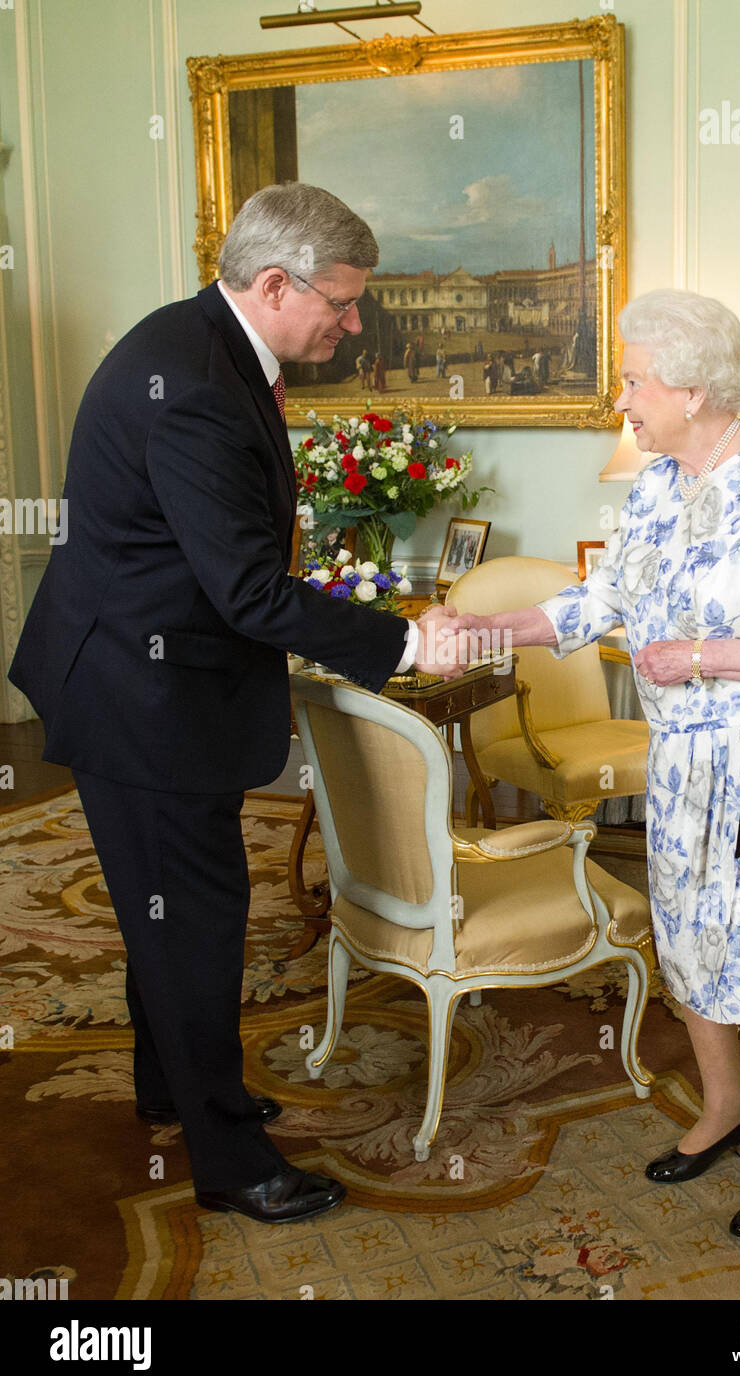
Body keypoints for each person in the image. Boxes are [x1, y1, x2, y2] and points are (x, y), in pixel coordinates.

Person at [8, 182, 464, 1226]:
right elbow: (250, 590)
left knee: (162, 908)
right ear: (273, 283)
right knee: (193, 923)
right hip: (142, 695)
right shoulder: (199, 382)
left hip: (139, 672)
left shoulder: (202, 341)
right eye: (340, 305)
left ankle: (171, 1087)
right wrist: (400, 639)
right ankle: (225, 1158)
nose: (351, 325)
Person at [446, 288, 740, 1241]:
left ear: (691, 383)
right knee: (688, 947)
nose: (620, 399)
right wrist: (495, 625)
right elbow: (596, 602)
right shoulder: (657, 484)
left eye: (632, 379)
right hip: (679, 767)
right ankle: (723, 1109)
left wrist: (705, 655)